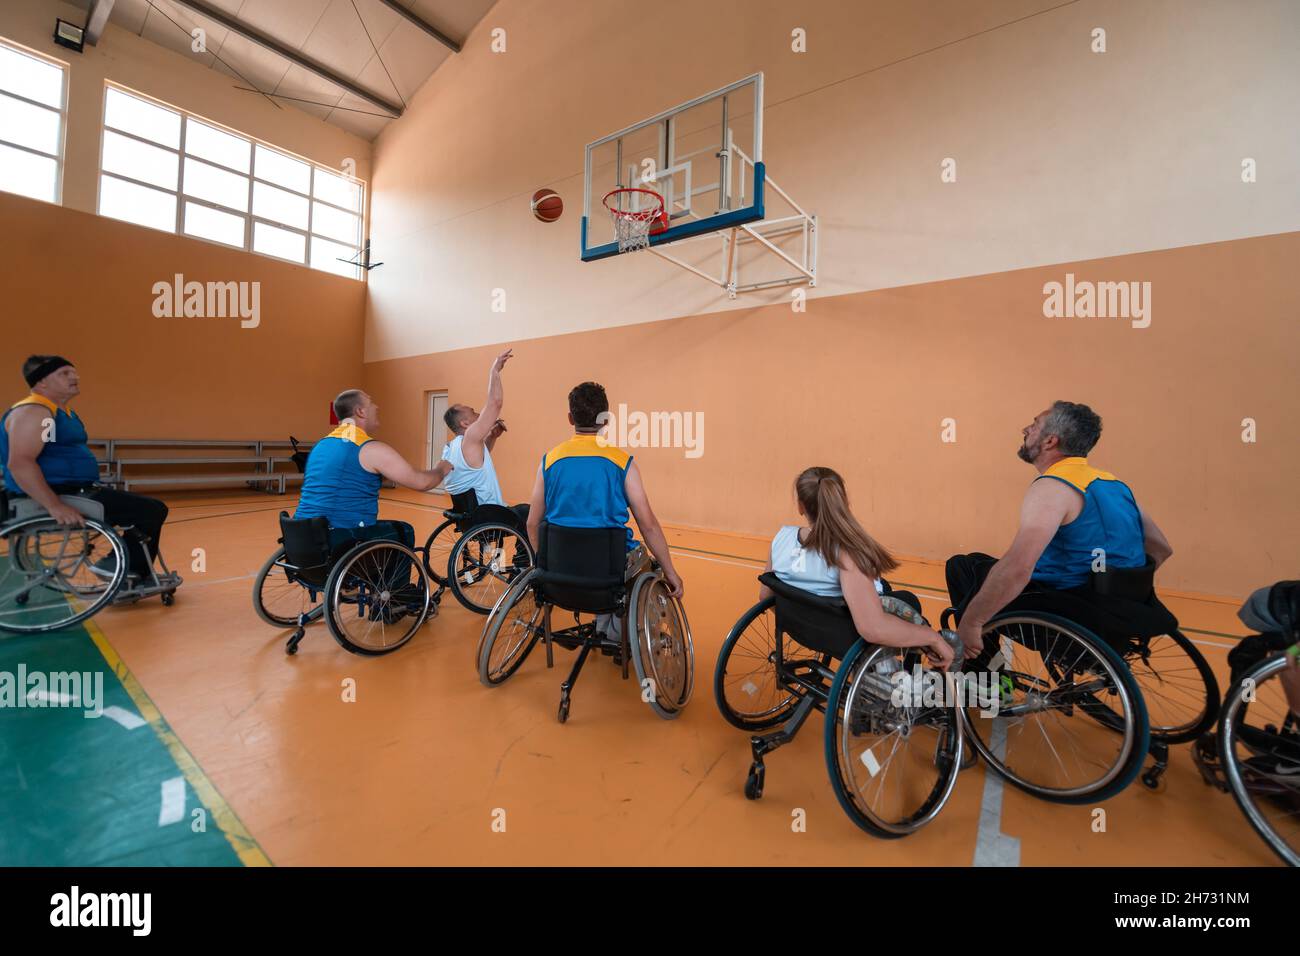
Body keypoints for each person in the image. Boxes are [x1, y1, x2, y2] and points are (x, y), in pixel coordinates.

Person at [946, 401, 1173, 659]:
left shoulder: (1052, 487)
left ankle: (986, 677)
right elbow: (1160, 548)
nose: (1025, 430)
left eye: (1034, 425)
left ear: (1050, 441)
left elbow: (1019, 567)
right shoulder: (1114, 484)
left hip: (1070, 611)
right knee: (977, 564)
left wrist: (972, 623)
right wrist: (1117, 583)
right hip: (1120, 612)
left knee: (962, 568)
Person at [525, 381, 683, 641]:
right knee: (643, 562)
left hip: (559, 571)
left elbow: (532, 524)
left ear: (570, 418)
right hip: (607, 571)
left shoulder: (549, 460)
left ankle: (605, 624)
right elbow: (649, 526)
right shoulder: (622, 463)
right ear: (606, 420)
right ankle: (622, 629)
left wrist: (543, 564)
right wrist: (671, 572)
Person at [766, 467, 953, 669]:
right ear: (843, 502)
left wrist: (804, 617)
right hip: (841, 632)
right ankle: (904, 675)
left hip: (802, 626)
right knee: (908, 600)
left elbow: (765, 596)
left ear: (801, 506)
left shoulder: (781, 538)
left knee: (884, 587)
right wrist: (932, 638)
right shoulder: (847, 554)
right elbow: (872, 628)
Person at [0, 355, 168, 579]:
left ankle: (126, 567)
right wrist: (55, 506)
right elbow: (20, 462)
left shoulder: (57, 412)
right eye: (64, 373)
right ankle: (124, 569)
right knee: (151, 510)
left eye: (74, 372)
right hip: (60, 493)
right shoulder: (34, 411)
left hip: (76, 488)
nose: (75, 377)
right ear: (41, 382)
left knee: (143, 508)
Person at [295, 388, 452, 557]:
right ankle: (397, 584)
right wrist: (442, 468)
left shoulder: (321, 445)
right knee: (404, 531)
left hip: (301, 535)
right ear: (360, 411)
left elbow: (344, 478)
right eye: (371, 403)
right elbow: (422, 482)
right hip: (340, 537)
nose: (376, 407)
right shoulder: (370, 449)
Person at [441, 349, 529, 530]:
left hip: (470, 516)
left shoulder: (451, 448)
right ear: (465, 423)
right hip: (490, 515)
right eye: (473, 412)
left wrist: (492, 437)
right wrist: (495, 370)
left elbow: (475, 463)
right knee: (532, 513)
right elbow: (495, 403)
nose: (479, 414)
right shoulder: (471, 436)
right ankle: (523, 557)